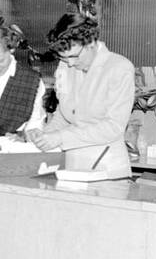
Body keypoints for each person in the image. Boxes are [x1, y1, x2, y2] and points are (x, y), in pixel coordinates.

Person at [27, 13, 135, 177]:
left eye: (73, 56)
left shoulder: (119, 68)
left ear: (91, 43)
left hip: (106, 166)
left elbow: (113, 127)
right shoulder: (65, 66)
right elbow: (64, 114)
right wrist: (45, 135)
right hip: (72, 163)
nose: (70, 63)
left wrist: (60, 137)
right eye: (63, 58)